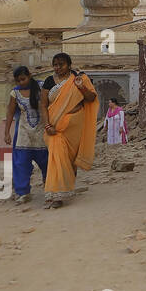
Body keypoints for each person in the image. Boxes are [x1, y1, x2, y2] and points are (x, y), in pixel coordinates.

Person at [40, 53, 97, 209]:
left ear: (69, 65)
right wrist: (47, 125)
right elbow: (43, 105)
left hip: (74, 126)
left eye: (61, 64)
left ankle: (67, 188)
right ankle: (57, 194)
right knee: (57, 156)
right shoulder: (49, 81)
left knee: (70, 159)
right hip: (54, 128)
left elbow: (91, 98)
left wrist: (81, 87)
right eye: (55, 65)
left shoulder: (79, 78)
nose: (58, 68)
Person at [3, 66, 48, 204]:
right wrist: (7, 133)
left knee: (47, 162)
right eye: (18, 81)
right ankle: (23, 192)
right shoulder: (15, 94)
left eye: (23, 79)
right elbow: (10, 112)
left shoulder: (41, 87)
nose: (21, 83)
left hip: (42, 130)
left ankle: (51, 188)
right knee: (21, 163)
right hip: (23, 133)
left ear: (29, 75)